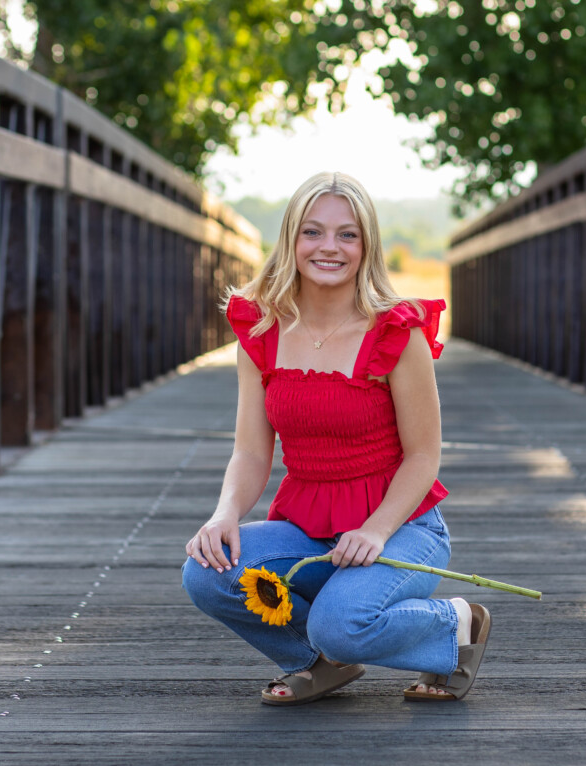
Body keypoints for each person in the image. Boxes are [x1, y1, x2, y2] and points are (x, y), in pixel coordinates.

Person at [181, 171, 491, 705]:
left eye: (347, 234)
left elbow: (423, 457)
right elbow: (252, 451)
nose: (330, 247)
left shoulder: (396, 331)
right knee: (207, 572)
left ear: (366, 246)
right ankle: (318, 665)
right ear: (291, 241)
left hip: (402, 525)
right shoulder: (260, 330)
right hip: (308, 525)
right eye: (313, 232)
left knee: (340, 624)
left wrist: (374, 531)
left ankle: (454, 627)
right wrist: (224, 514)